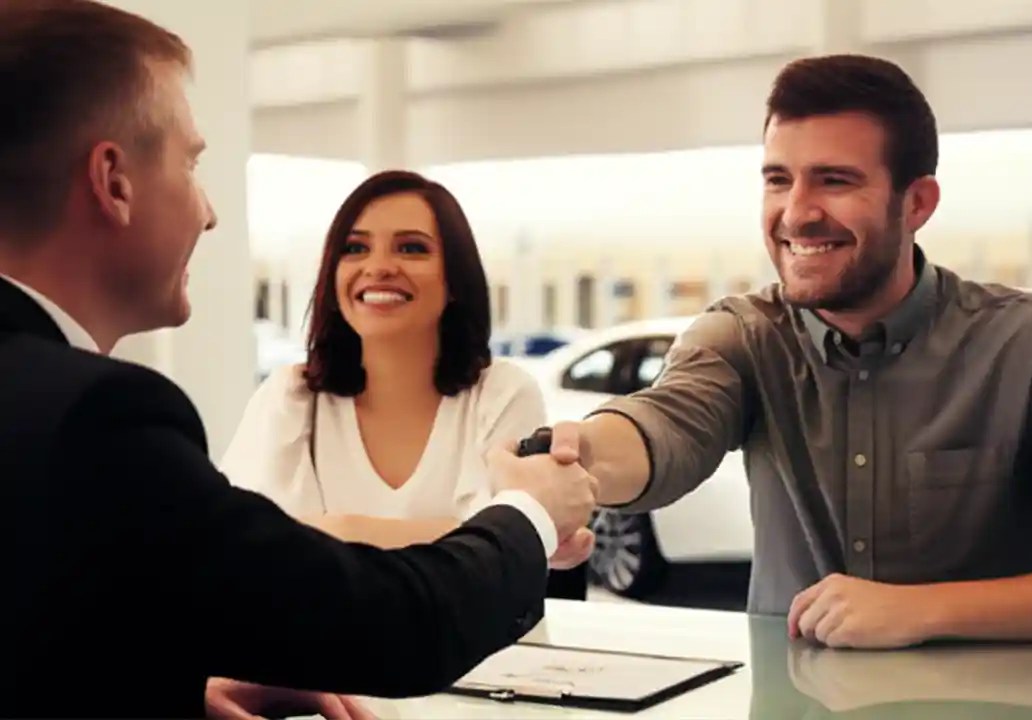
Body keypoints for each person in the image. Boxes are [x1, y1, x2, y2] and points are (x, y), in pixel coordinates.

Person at [0, 2, 597, 717]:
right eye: (192, 164)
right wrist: (532, 510)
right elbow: (391, 625)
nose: (209, 212)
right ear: (114, 180)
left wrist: (177, 694)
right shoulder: (99, 419)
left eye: (411, 247)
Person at [545, 53, 1032, 648]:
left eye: (834, 181)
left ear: (917, 201)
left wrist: (922, 612)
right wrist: (579, 458)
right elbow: (669, 422)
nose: (796, 213)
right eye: (778, 180)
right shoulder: (745, 336)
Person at [221, 169, 590, 598]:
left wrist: (336, 531)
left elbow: (501, 557)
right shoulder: (291, 397)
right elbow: (244, 552)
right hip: (317, 660)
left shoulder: (503, 394)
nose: (378, 267)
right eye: (355, 248)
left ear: (455, 279)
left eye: (412, 248)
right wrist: (453, 537)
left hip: (478, 662)